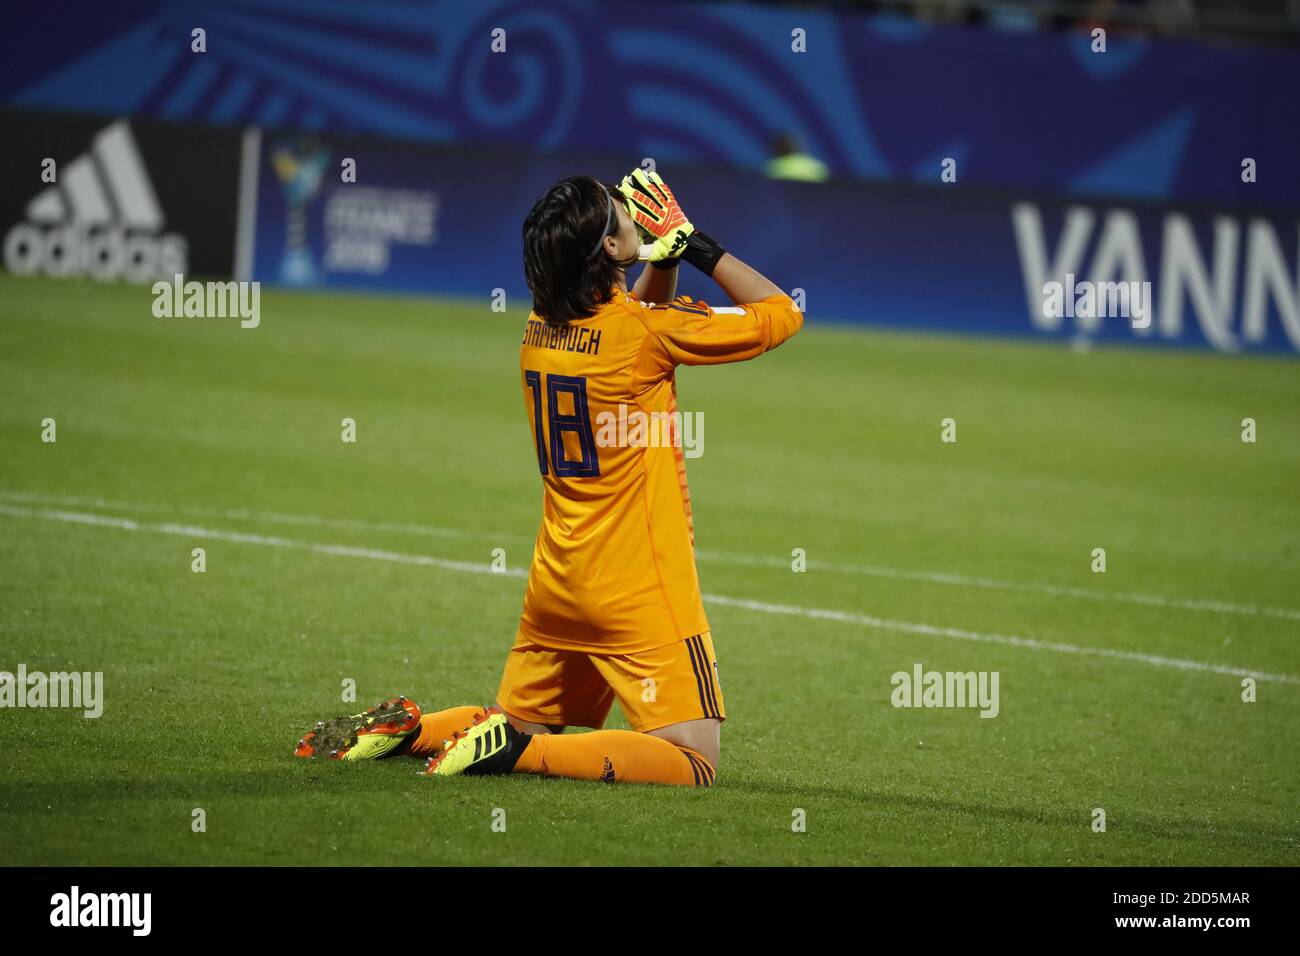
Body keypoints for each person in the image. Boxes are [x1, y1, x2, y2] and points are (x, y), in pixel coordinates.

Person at [295, 169, 802, 786]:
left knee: (521, 718)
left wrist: (657, 261)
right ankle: (518, 757)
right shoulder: (646, 335)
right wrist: (695, 245)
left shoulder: (540, 327)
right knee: (693, 762)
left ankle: (416, 729)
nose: (632, 214)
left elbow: (630, 316)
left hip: (558, 582)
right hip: (638, 587)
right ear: (611, 250)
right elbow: (780, 313)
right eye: (621, 213)